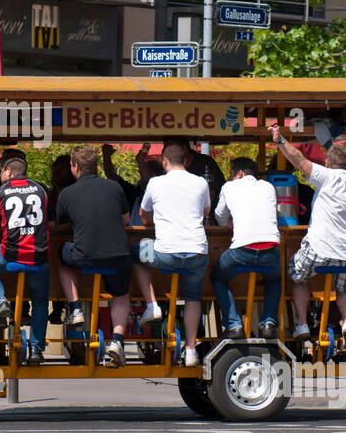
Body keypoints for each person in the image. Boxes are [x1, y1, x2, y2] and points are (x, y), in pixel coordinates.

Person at [270, 124, 346, 356]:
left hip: (319, 248)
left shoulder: (326, 177)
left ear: (328, 163)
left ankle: (302, 323)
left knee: (297, 275)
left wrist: (280, 140)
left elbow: (299, 160)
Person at [55, 146, 151, 367]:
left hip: (83, 255)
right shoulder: (114, 187)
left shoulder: (67, 193)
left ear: (75, 167)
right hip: (118, 254)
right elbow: (126, 219)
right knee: (121, 294)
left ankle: (75, 307)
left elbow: (61, 224)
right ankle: (116, 341)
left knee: (61, 255)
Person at [135, 142, 211, 367]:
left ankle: (152, 305)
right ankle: (190, 350)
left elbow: (143, 213)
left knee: (135, 254)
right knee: (193, 299)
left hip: (165, 254)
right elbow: (206, 210)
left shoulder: (155, 183)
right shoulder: (200, 182)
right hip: (197, 252)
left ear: (164, 162)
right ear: (186, 160)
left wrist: (150, 222)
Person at [0, 156, 52, 364]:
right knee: (40, 302)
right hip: (39, 256)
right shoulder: (42, 190)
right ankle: (37, 351)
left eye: (1, 171)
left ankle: (1, 301)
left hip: (10, 253)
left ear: (9, 172)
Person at [209, 157, 282, 340]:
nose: (229, 177)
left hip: (242, 250)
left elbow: (220, 218)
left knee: (217, 276)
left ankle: (234, 325)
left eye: (231, 173)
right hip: (271, 249)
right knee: (274, 280)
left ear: (239, 174)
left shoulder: (228, 187)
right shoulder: (268, 187)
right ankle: (268, 323)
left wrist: (232, 223)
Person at [163, 135, 226, 206]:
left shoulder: (206, 162)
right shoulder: (168, 165)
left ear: (184, 148)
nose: (168, 152)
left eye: (171, 149)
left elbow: (219, 190)